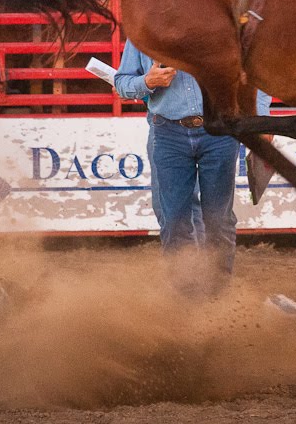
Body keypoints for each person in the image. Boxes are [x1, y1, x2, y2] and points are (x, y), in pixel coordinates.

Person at [114, 41, 270, 293]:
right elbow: (121, 82)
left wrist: (260, 117)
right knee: (174, 218)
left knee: (217, 218)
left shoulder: (218, 23)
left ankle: (216, 293)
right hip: (169, 131)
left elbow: (254, 72)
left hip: (218, 129)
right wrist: (148, 81)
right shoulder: (144, 33)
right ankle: (186, 296)